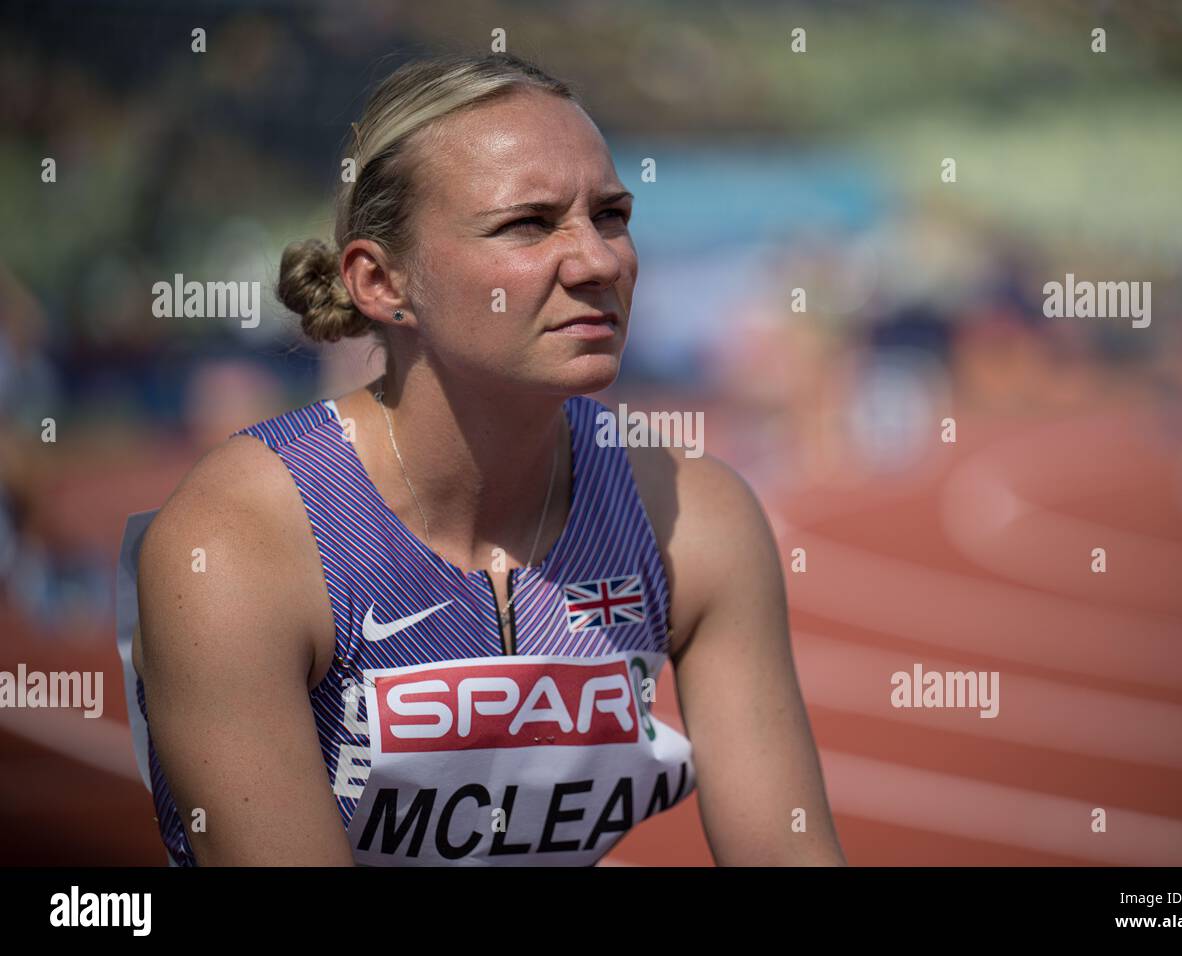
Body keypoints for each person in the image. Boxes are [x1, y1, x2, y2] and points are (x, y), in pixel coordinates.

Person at [129, 52, 844, 866]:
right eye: (528, 224)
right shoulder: (236, 544)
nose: (599, 260)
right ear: (380, 281)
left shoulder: (692, 517)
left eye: (610, 215)